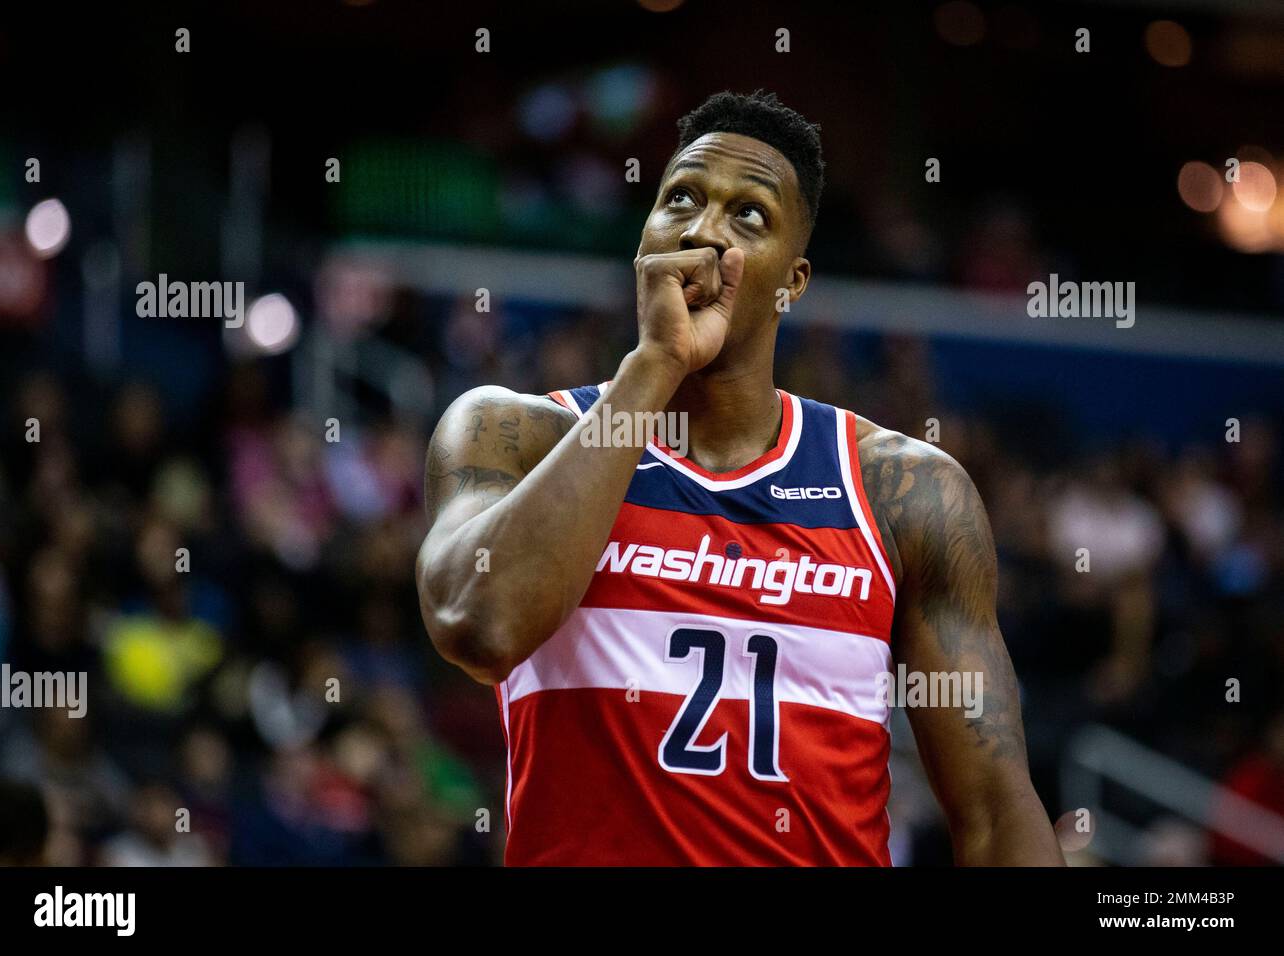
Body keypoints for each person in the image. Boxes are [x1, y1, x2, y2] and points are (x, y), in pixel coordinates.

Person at [417, 90, 1062, 866]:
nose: (702, 230)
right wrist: (654, 368)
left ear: (793, 280)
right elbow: (477, 626)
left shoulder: (906, 492)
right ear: (644, 239)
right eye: (679, 200)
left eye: (748, 215)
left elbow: (995, 811)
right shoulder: (512, 432)